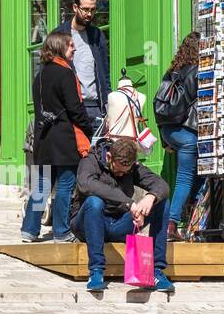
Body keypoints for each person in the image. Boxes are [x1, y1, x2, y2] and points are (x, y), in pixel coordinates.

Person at [71, 136, 173, 293]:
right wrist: (129, 203)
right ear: (109, 156)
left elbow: (161, 185)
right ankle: (96, 270)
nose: (120, 174)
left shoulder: (132, 167)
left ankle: (156, 271)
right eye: (117, 170)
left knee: (162, 202)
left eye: (124, 172)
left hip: (117, 224)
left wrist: (150, 197)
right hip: (87, 223)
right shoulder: (90, 161)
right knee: (94, 202)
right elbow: (87, 184)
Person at [20, 31, 89, 243]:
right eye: (70, 45)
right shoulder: (65, 73)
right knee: (66, 184)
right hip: (64, 138)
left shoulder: (39, 76)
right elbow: (74, 108)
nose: (74, 48)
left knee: (42, 185)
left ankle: (29, 230)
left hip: (44, 137)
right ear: (60, 47)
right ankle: (61, 231)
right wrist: (89, 125)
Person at [158, 32, 206, 241]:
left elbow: (161, 106)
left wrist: (164, 139)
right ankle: (171, 224)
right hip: (189, 132)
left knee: (194, 174)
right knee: (186, 178)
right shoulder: (199, 72)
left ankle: (191, 224)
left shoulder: (171, 72)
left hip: (170, 131)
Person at [51, 0, 110, 135]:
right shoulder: (59, 35)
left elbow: (105, 74)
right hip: (71, 108)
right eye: (85, 9)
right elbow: (50, 74)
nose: (89, 14)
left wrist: (109, 108)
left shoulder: (97, 35)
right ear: (75, 7)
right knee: (74, 155)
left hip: (96, 108)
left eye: (93, 10)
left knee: (98, 154)